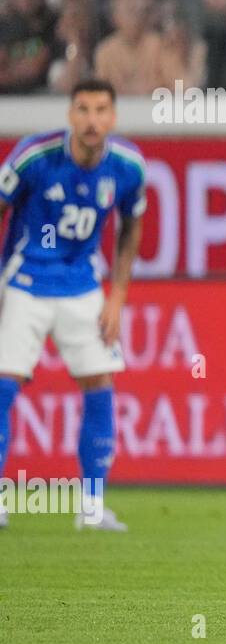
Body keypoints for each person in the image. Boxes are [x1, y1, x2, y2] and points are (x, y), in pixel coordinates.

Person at [0, 80, 147, 531]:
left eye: (101, 110)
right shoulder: (34, 157)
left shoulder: (128, 166)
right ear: (70, 115)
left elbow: (131, 227)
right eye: (82, 109)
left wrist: (118, 296)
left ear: (113, 118)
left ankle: (92, 505)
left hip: (83, 287)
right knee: (5, 383)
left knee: (100, 385)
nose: (91, 119)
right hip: (26, 282)